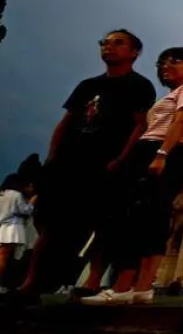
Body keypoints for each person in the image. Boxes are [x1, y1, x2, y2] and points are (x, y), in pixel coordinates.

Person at [10, 30, 156, 303]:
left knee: (101, 224)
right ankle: (30, 284)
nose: (107, 47)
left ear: (135, 52)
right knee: (51, 224)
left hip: (105, 163)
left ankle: (91, 283)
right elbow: (67, 120)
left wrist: (121, 159)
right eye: (104, 43)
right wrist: (53, 154)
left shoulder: (139, 85)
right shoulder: (88, 85)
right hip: (69, 162)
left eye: (117, 43)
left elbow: (139, 125)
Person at [81, 48, 183, 305]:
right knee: (151, 220)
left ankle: (123, 287)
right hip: (158, 151)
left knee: (137, 219)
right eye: (162, 62)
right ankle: (141, 288)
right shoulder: (175, 93)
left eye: (175, 61)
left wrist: (161, 154)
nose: (166, 66)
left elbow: (182, 121)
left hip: (164, 150)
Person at [0, 173, 36, 290]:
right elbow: (25, 210)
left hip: (2, 227)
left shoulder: (2, 194)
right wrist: (32, 202)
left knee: (3, 256)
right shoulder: (16, 195)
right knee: (5, 257)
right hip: (12, 229)